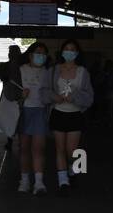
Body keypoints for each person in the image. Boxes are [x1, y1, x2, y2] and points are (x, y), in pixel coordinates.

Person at [50, 38, 94, 196]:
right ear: (62, 52)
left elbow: (89, 96)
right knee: (60, 148)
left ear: (76, 53)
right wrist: (54, 97)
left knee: (72, 150)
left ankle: (73, 169)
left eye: (72, 49)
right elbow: (47, 90)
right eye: (66, 49)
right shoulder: (54, 70)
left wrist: (75, 97)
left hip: (76, 114)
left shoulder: (83, 72)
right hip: (58, 113)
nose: (69, 51)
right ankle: (63, 181)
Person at [17, 41, 53, 196]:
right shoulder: (21, 70)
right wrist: (20, 95)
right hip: (23, 111)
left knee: (38, 148)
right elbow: (11, 91)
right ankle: (24, 181)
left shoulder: (48, 72)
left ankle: (39, 182)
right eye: (38, 53)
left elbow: (52, 92)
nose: (41, 56)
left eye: (43, 54)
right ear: (30, 55)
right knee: (24, 148)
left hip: (40, 111)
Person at [0, 44, 24, 151]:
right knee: (11, 119)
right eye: (11, 52)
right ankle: (11, 140)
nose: (11, 55)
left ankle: (13, 140)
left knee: (16, 119)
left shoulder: (23, 66)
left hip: (18, 96)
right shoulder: (6, 66)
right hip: (10, 95)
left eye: (13, 52)